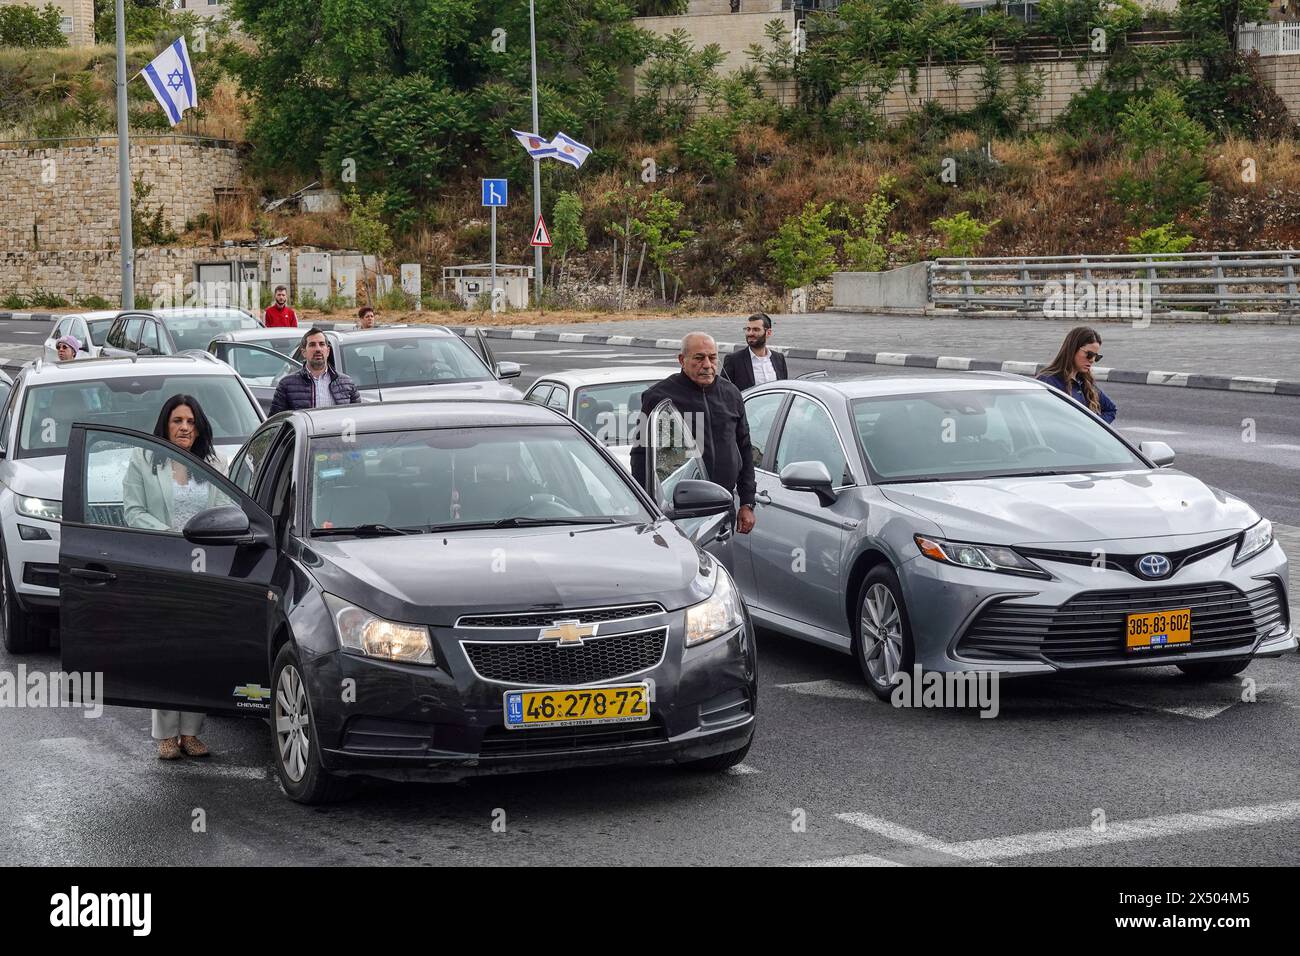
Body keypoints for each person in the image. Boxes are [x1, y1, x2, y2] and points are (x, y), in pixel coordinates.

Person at [122, 395, 229, 760]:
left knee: (198, 652)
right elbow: (133, 512)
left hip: (204, 570)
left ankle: (191, 732)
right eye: (177, 421)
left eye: (191, 422)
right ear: (165, 424)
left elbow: (227, 510)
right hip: (164, 567)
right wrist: (170, 537)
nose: (184, 428)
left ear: (199, 427)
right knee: (167, 652)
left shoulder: (215, 463)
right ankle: (166, 735)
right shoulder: (143, 460)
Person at [631, 332, 757, 534]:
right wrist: (647, 508)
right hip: (678, 513)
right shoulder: (659, 397)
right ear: (682, 360)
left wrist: (747, 502)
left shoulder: (731, 393)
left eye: (712, 357)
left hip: (723, 508)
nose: (707, 364)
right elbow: (641, 456)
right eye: (699, 358)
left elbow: (744, 447)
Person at [1037, 325, 1117, 423]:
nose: (1092, 360)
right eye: (1089, 354)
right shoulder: (1048, 381)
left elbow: (1111, 410)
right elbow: (1043, 419)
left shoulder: (1085, 381)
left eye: (1096, 357)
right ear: (1073, 349)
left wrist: (1092, 428)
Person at [269, 327, 361, 413]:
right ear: (304, 352)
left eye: (321, 344)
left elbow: (358, 418)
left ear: (328, 351)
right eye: (312, 345)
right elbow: (276, 424)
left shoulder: (346, 383)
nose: (318, 349)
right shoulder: (286, 385)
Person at [722, 313, 788, 390]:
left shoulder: (779, 359)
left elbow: (784, 389)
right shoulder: (733, 360)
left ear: (768, 333)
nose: (750, 333)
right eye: (748, 329)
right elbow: (723, 392)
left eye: (756, 329)